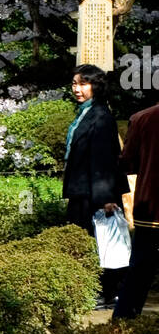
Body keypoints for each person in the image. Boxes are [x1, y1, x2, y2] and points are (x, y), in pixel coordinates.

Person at [63, 64, 129, 309]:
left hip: (97, 193)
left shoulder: (100, 116)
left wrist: (106, 197)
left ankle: (107, 293)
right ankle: (97, 291)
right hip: (83, 190)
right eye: (74, 83)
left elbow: (104, 159)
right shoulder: (85, 113)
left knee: (102, 243)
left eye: (83, 83)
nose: (77, 89)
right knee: (89, 242)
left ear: (96, 86)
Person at [113, 98, 159, 319]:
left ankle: (121, 327)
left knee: (139, 274)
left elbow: (128, 163)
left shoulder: (141, 118)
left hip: (150, 208)